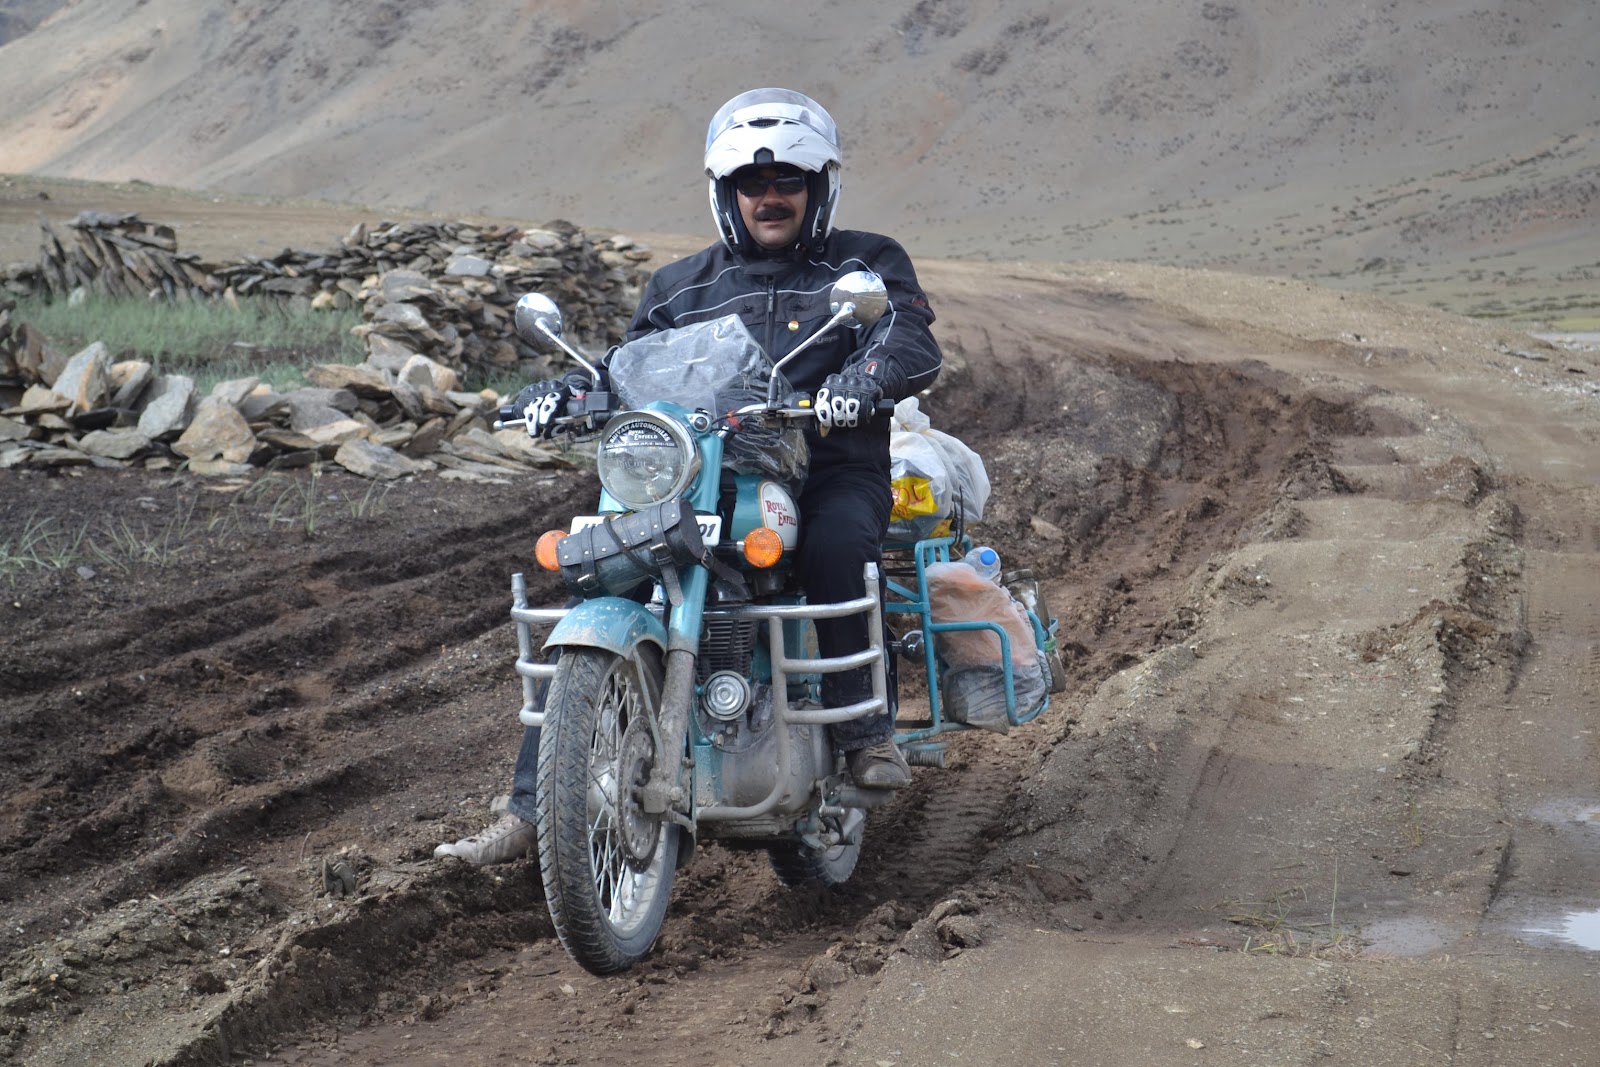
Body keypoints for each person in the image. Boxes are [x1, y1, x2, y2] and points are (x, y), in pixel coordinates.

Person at [436, 88, 943, 865]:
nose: (770, 198)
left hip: (829, 469)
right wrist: (566, 392)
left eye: (788, 183)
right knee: (603, 572)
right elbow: (626, 370)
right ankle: (533, 808)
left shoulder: (867, 263)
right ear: (726, 195)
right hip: (701, 475)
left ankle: (862, 736)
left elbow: (908, 336)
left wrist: (864, 380)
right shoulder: (680, 287)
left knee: (840, 544)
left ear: (819, 189)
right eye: (752, 184)